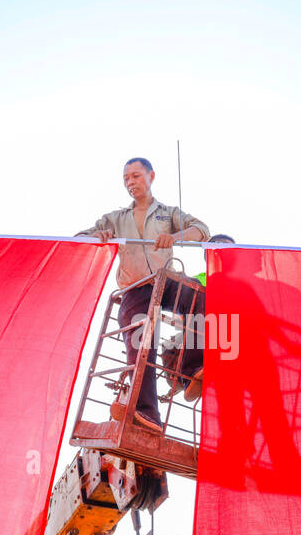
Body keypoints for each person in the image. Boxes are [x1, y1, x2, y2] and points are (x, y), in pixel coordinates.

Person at [75, 157, 211, 433]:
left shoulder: (167, 213)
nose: (130, 182)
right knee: (141, 344)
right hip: (135, 288)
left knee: (199, 298)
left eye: (136, 176)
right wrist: (98, 235)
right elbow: (80, 237)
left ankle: (193, 367)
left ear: (151, 176)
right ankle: (146, 413)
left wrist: (176, 236)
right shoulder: (116, 218)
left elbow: (202, 231)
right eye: (126, 179)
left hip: (166, 280)